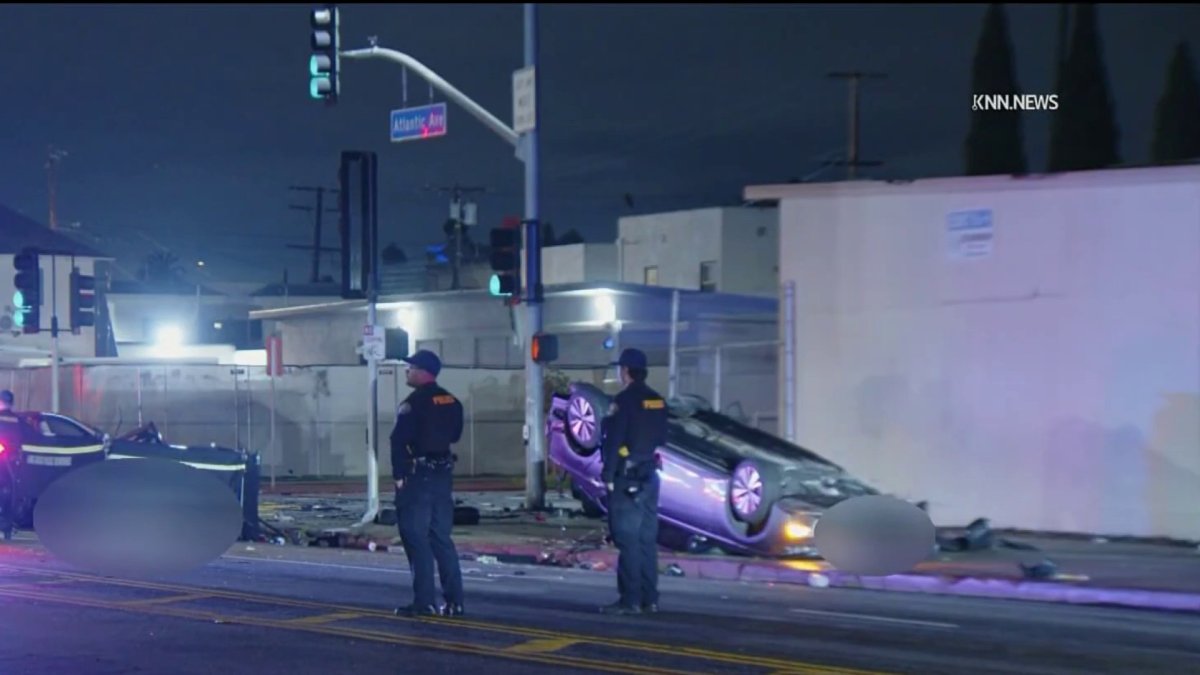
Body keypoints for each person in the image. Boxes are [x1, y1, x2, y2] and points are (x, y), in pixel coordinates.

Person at [390, 349, 466, 617]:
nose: (406, 371)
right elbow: (455, 435)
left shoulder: (413, 403)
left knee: (415, 537)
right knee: (441, 538)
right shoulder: (452, 401)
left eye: (410, 367)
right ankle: (455, 601)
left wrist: (399, 476)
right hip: (443, 475)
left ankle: (424, 601)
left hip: (418, 476)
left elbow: (398, 441)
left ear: (422, 372)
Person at [598, 348, 669, 616]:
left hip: (626, 477)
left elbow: (614, 441)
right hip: (650, 476)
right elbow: (663, 438)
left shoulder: (624, 401)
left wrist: (608, 476)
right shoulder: (658, 401)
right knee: (647, 540)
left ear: (625, 371)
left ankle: (630, 599)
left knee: (627, 539)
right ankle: (650, 598)